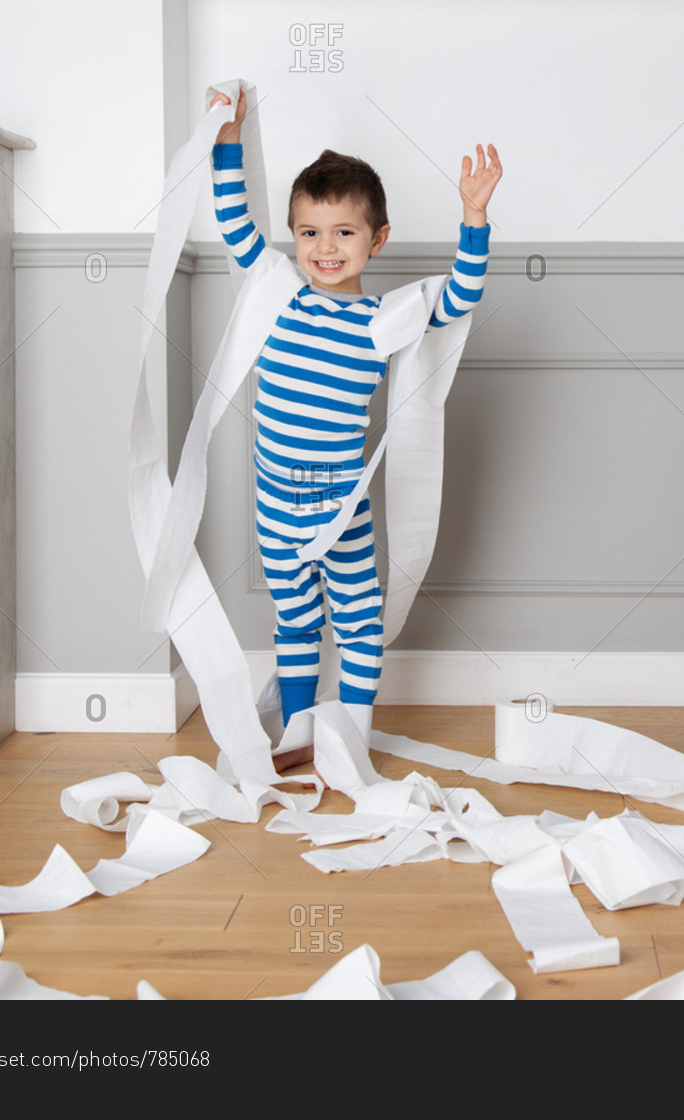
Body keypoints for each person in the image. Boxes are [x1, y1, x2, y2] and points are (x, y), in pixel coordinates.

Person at [208, 89, 502, 771]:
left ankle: (352, 736)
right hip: (277, 503)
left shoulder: (381, 322)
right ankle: (301, 732)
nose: (325, 248)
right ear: (293, 238)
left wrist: (474, 217)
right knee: (295, 620)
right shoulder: (275, 291)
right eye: (309, 232)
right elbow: (232, 221)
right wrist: (228, 137)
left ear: (377, 238)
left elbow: (457, 298)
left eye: (344, 232)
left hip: (343, 507)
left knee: (358, 618)